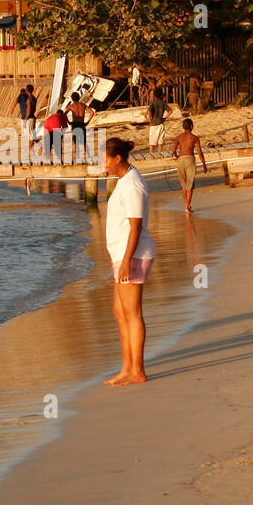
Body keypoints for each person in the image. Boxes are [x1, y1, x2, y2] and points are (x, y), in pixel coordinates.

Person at [103, 138, 155, 386]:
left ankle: (138, 371)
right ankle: (127, 367)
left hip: (133, 254)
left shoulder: (133, 184)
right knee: (119, 311)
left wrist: (125, 261)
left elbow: (136, 226)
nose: (103, 164)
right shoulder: (124, 180)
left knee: (133, 314)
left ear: (117, 159)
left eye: (105, 159)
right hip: (122, 255)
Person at [170, 118, 207, 213]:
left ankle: (186, 205)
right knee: (190, 185)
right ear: (191, 126)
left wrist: (177, 157)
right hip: (190, 159)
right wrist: (204, 164)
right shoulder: (194, 138)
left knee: (184, 185)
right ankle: (187, 206)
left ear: (183, 127)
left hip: (181, 160)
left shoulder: (179, 137)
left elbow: (173, 150)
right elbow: (199, 152)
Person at [66, 91, 94, 163]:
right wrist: (87, 122)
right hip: (81, 124)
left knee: (76, 142)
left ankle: (79, 158)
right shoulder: (83, 105)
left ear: (72, 98)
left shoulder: (71, 106)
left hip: (75, 124)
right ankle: (89, 158)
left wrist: (69, 122)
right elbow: (92, 112)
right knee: (84, 141)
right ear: (79, 98)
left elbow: (64, 114)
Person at [146, 87, 167, 153]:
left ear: (154, 95)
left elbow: (149, 112)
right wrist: (165, 118)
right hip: (161, 122)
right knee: (160, 140)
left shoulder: (152, 102)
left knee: (152, 141)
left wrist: (150, 120)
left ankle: (151, 153)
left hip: (154, 123)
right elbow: (170, 111)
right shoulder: (163, 103)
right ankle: (160, 153)